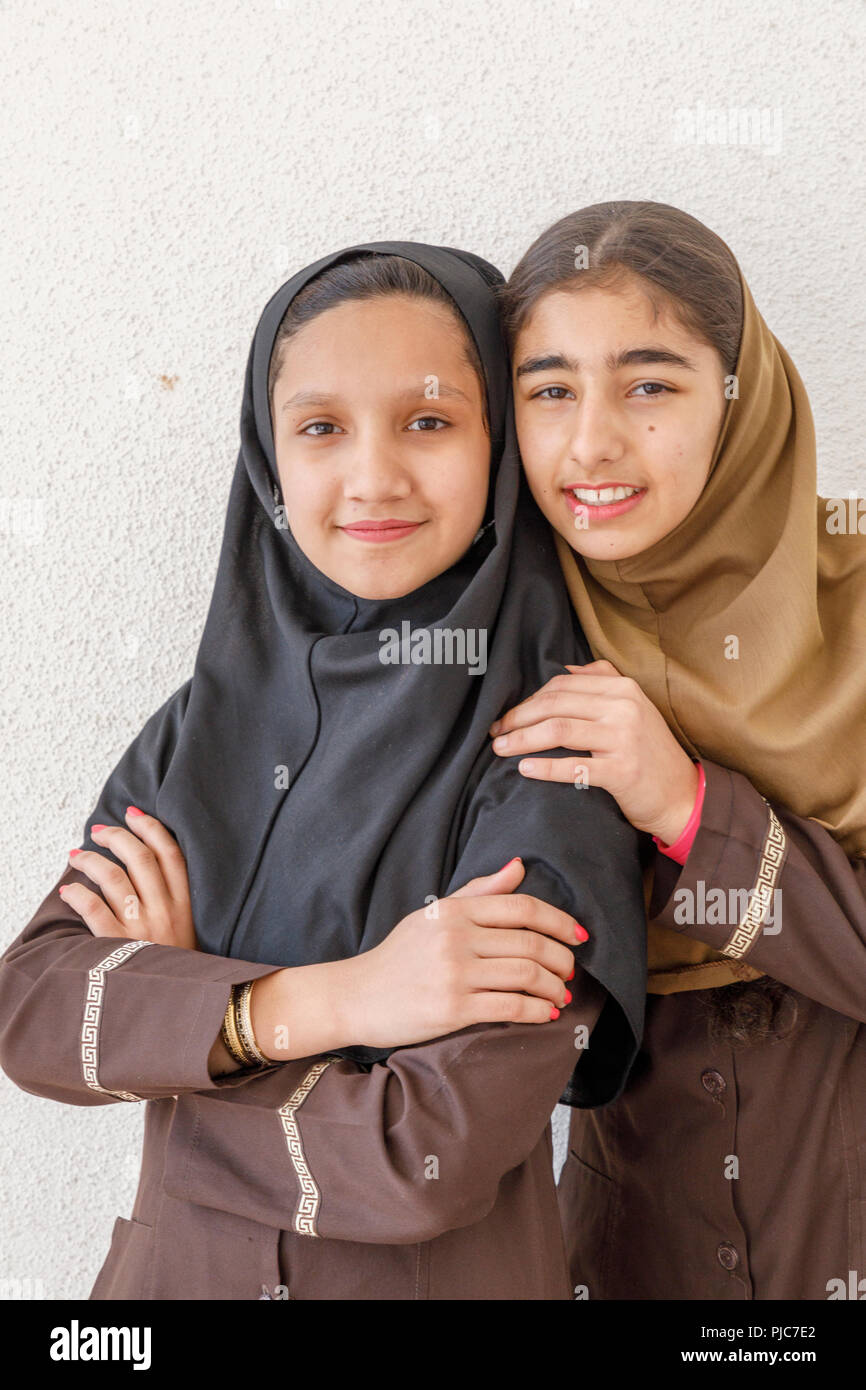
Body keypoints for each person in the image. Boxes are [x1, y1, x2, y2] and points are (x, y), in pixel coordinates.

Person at [0, 241, 647, 1301]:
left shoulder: (554, 748)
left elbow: (416, 1162)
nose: (372, 476)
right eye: (320, 427)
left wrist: (178, 1018)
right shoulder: (208, 719)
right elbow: (30, 1013)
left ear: (498, 446)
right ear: (268, 457)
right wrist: (329, 1001)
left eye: (429, 421)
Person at [487, 200, 866, 1299]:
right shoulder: (501, 642)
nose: (591, 441)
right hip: (636, 1243)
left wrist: (690, 808)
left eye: (648, 383)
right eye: (548, 388)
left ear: (740, 399)